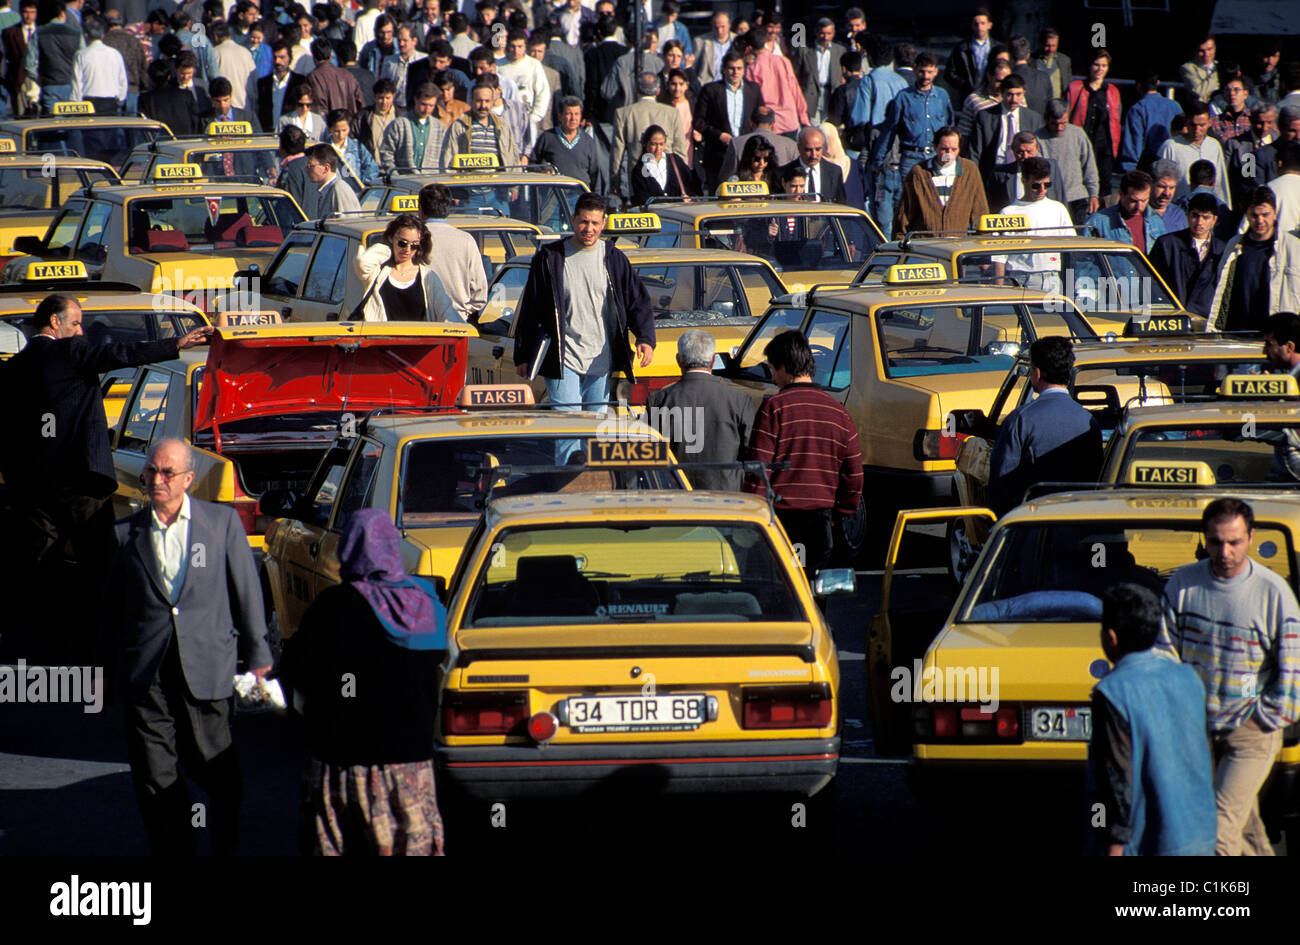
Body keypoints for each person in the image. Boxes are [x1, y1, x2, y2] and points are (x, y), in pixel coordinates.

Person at [0, 297, 211, 662]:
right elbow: (119, 354)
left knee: (38, 567)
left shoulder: (14, 367)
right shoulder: (70, 351)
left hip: (29, 486)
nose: (81, 331)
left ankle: (37, 648)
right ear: (55, 321)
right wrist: (176, 343)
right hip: (78, 483)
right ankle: (101, 648)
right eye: (77, 322)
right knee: (101, 566)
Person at [110, 437, 272, 857]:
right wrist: (105, 672)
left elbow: (246, 593)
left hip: (207, 668)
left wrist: (259, 658)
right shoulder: (125, 534)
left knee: (217, 770)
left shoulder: (220, 525)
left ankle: (224, 846)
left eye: (167, 473)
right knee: (155, 775)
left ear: (188, 479)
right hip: (147, 676)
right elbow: (110, 610)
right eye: (151, 471)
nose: (156, 479)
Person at [280, 509, 446, 856]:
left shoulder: (334, 607)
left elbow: (297, 670)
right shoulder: (426, 605)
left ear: (349, 549)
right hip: (411, 769)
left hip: (341, 767)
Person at [1157, 497, 1300, 855]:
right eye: (1216, 542)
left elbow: (1293, 673)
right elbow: (1164, 651)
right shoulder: (1183, 585)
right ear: (1204, 539)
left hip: (1252, 732)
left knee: (1216, 827)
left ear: (1250, 537)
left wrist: (1264, 718)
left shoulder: (1273, 594)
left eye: (1234, 542)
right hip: (1199, 732)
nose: (1224, 551)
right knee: (1246, 832)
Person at [1088, 583, 1217, 857]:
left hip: (1146, 842)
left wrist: (1113, 845)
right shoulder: (1189, 678)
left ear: (1110, 637)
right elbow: (1206, 753)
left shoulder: (1112, 692)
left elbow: (1116, 779)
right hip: (1200, 834)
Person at [513, 192, 654, 423]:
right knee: (568, 425)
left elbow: (637, 301)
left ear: (604, 223)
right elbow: (531, 308)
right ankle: (569, 461)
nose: (589, 229)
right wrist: (523, 354)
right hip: (562, 359)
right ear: (573, 219)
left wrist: (645, 338)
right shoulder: (550, 258)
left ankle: (586, 461)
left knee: (593, 429)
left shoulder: (614, 259)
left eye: (595, 223)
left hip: (600, 359)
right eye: (584, 222)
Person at [746, 329, 863, 574]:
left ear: (784, 368)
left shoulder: (774, 408)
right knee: (815, 596)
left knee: (782, 590)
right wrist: (842, 512)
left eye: (772, 370)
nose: (773, 378)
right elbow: (853, 473)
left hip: (781, 518)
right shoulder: (839, 412)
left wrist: (752, 514)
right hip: (822, 520)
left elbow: (759, 468)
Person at [988, 336, 1102, 516]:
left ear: (1037, 373)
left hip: (1031, 524)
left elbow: (1001, 483)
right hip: (1079, 521)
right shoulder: (1088, 421)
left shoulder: (1020, 420)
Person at [647, 329, 755, 491]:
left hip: (677, 495)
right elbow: (751, 454)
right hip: (728, 497)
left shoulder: (659, 400)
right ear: (713, 361)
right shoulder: (740, 400)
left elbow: (651, 455)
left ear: (678, 361)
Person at [1207, 186, 1300, 332]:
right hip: (1237, 333)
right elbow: (1221, 289)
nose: (1260, 221)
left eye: (1265, 215)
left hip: (1277, 337)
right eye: (1254, 215)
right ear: (1247, 214)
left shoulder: (1293, 247)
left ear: (1275, 214)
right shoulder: (1234, 245)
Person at [871, 52, 955, 200]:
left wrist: (952, 157)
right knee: (910, 200)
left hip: (938, 156)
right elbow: (889, 131)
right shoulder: (903, 97)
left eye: (929, 72)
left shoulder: (942, 96)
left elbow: (950, 130)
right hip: (911, 157)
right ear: (915, 69)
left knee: (938, 200)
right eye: (922, 71)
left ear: (936, 71)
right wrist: (878, 160)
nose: (925, 76)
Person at [353, 213, 457, 322]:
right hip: (382, 338)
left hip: (420, 339)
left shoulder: (428, 277)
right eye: (402, 243)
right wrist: (388, 250)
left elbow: (447, 311)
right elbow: (362, 262)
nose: (407, 249)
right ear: (391, 238)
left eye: (414, 245)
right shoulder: (378, 273)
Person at [894, 126, 987, 238]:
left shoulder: (969, 170)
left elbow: (980, 213)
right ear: (935, 147)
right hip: (926, 248)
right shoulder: (919, 173)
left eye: (954, 149)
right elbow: (903, 216)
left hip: (958, 246)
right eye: (944, 149)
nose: (949, 154)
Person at [691, 49, 760, 193]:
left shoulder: (753, 89)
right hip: (718, 155)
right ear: (723, 69)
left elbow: (759, 117)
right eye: (731, 68)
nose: (735, 72)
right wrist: (719, 135)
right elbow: (698, 121)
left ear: (744, 70)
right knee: (718, 197)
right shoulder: (711, 90)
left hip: (746, 155)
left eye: (739, 68)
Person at [1148, 192, 1226, 317]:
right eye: (1195, 215)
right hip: (1170, 317)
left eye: (1205, 217)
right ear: (1188, 215)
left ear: (1214, 220)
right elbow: (1150, 284)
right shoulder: (1167, 244)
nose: (1199, 222)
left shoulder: (1223, 250)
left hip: (1204, 321)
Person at [418, 182, 487, 321]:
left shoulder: (411, 240)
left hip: (419, 323)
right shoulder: (466, 240)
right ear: (449, 208)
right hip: (457, 324)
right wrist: (463, 311)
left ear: (420, 209)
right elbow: (480, 294)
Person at [611, 71, 684, 199]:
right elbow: (680, 151)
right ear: (658, 91)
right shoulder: (672, 113)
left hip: (639, 184)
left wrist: (615, 185)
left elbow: (617, 155)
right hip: (671, 186)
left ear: (636, 90)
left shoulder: (624, 114)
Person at [1066, 48, 1121, 198]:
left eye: (1103, 66)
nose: (1099, 69)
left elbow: (1116, 121)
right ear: (1090, 66)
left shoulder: (1112, 91)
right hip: (1082, 143)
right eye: (1096, 64)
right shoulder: (1076, 87)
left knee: (1105, 186)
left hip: (1104, 147)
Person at [967, 74, 1041, 180]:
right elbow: (975, 152)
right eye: (1009, 94)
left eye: (1018, 94)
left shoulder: (1034, 119)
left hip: (1023, 172)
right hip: (992, 172)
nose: (1014, 100)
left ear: (1024, 93)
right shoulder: (985, 116)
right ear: (1001, 92)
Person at [1157, 102, 1231, 208]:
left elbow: (1221, 184)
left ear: (1209, 122)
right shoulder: (1171, 146)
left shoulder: (1214, 146)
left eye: (1202, 125)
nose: (1197, 130)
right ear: (1186, 122)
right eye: (1193, 125)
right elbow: (1160, 184)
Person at [1037, 98, 1100, 223]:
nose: (1060, 128)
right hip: (1050, 199)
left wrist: (1093, 194)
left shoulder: (1077, 134)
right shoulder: (1037, 138)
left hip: (1077, 198)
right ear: (1046, 119)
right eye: (1055, 123)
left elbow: (1089, 166)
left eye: (1064, 123)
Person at [529, 95, 603, 192]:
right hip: (553, 198)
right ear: (560, 116)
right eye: (569, 114)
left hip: (580, 198)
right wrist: (543, 172)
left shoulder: (588, 141)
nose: (573, 118)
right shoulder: (547, 137)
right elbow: (531, 165)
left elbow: (595, 175)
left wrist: (595, 199)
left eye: (576, 114)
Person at [1085, 170, 1166, 255]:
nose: (1139, 207)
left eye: (1144, 200)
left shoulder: (1156, 220)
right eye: (1133, 201)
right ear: (1121, 194)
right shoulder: (1097, 222)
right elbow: (1084, 260)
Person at [742, 29, 805, 135]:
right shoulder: (783, 61)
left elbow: (753, 100)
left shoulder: (751, 69)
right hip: (789, 120)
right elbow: (796, 91)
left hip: (768, 123)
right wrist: (803, 118)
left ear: (749, 48)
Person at [1119, 71, 1183, 173]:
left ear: (1138, 86)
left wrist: (1129, 169)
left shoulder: (1137, 109)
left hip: (1148, 165)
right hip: (1173, 161)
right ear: (1157, 83)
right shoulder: (1175, 106)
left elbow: (1133, 143)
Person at [985, 132, 1067, 210]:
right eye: (1020, 152)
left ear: (1037, 148)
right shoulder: (999, 174)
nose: (1025, 156)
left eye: (1029, 151)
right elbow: (994, 206)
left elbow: (1060, 196)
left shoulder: (1051, 167)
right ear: (1013, 150)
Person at [380, 81, 448, 173]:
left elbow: (444, 157)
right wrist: (395, 176)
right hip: (404, 182)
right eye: (423, 104)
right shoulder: (399, 124)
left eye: (431, 105)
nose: (427, 109)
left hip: (430, 181)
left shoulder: (439, 127)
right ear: (416, 100)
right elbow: (386, 153)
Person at [718, 104, 796, 184]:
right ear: (773, 125)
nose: (762, 163)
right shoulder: (791, 145)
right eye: (757, 159)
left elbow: (726, 178)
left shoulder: (736, 143)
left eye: (766, 159)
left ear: (751, 123)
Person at [29, 0, 82, 114]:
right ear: (63, 13)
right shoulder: (76, 34)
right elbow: (83, 59)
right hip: (72, 86)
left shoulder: (39, 33)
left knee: (52, 124)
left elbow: (29, 64)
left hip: (50, 85)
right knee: (71, 126)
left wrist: (38, 78)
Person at [1226, 105, 1279, 214]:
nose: (1264, 128)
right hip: (1244, 208)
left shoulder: (1280, 143)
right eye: (1260, 123)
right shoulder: (1235, 144)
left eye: (1269, 122)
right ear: (1251, 120)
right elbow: (1230, 180)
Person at [69, 14, 126, 115]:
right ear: (102, 35)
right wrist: (119, 100)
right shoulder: (115, 54)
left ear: (86, 35)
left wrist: (76, 103)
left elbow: (77, 83)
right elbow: (122, 81)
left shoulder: (81, 55)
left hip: (88, 103)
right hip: (111, 102)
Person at [943, 4, 996, 104]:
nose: (979, 27)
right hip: (969, 97)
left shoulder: (997, 47)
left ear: (989, 25)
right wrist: (965, 86)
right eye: (976, 24)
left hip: (993, 96)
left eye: (982, 23)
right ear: (972, 25)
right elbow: (949, 73)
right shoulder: (961, 48)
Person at [795, 17, 843, 127]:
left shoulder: (840, 51)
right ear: (816, 32)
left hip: (831, 94)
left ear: (833, 33)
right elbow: (797, 75)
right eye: (822, 33)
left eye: (829, 33)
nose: (825, 37)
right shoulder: (805, 50)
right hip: (811, 94)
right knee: (813, 127)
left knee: (829, 128)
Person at [778, 126, 844, 204]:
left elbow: (841, 204)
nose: (813, 155)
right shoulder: (781, 173)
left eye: (818, 149)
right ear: (799, 147)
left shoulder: (835, 172)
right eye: (808, 150)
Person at [630, 123, 695, 203]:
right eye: (654, 144)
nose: (658, 148)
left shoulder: (675, 161)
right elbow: (642, 199)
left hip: (679, 212)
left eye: (661, 144)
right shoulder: (639, 171)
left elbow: (693, 184)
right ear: (645, 144)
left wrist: (689, 197)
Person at [305, 36, 365, 117]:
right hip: (349, 124)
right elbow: (360, 102)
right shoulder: (347, 74)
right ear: (331, 55)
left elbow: (319, 108)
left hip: (329, 125)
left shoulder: (313, 77)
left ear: (314, 57)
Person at [956, 54, 1011, 139]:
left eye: (1006, 81)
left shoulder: (1016, 98)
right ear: (989, 76)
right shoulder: (973, 100)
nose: (1003, 85)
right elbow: (964, 133)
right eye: (998, 81)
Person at [258, 40, 307, 135]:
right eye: (275, 57)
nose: (278, 61)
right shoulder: (263, 83)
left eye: (282, 57)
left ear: (290, 58)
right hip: (269, 133)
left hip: (291, 132)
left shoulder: (300, 81)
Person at [209, 18, 256, 113]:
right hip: (245, 107)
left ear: (215, 36)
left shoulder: (214, 53)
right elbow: (253, 83)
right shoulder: (245, 52)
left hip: (223, 109)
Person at [326, 108, 379, 191]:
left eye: (344, 130)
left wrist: (362, 186)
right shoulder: (323, 148)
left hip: (355, 194)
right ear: (330, 129)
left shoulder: (358, 147)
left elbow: (372, 168)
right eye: (337, 131)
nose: (341, 135)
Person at [305, 142, 361, 218]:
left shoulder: (339, 189)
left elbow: (348, 225)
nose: (306, 170)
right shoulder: (327, 190)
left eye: (310, 166)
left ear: (326, 168)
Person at [276, 125, 317, 220]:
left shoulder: (290, 170)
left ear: (282, 148)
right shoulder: (315, 165)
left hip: (298, 230)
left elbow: (287, 210)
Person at [354, 77, 398, 163]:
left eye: (388, 98)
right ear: (374, 97)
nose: (384, 102)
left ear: (393, 96)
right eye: (380, 98)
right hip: (372, 168)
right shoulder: (363, 116)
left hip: (395, 169)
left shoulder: (400, 116)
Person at [1008, 35, 1050, 118]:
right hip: (1040, 126)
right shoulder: (1044, 77)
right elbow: (1050, 105)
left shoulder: (1008, 79)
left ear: (1009, 56)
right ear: (1028, 55)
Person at [692, 9, 733, 85]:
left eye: (722, 27)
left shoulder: (737, 41)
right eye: (716, 27)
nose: (719, 31)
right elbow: (694, 68)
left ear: (729, 25)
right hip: (708, 86)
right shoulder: (700, 41)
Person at [1031, 27, 1071, 102]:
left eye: (1054, 46)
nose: (1051, 49)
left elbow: (1068, 86)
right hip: (1038, 103)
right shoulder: (1031, 61)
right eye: (1047, 45)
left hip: (1058, 104)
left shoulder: (1065, 61)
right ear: (1041, 43)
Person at [1148, 160, 1188, 234]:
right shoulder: (1140, 212)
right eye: (1162, 187)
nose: (1166, 193)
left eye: (1171, 187)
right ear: (1151, 184)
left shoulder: (1178, 215)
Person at [1180, 33, 1219, 105]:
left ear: (1215, 48)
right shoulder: (1188, 68)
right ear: (1195, 51)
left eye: (1209, 49)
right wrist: (1216, 72)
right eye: (1201, 51)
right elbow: (1200, 92)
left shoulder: (1220, 65)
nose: (1206, 54)